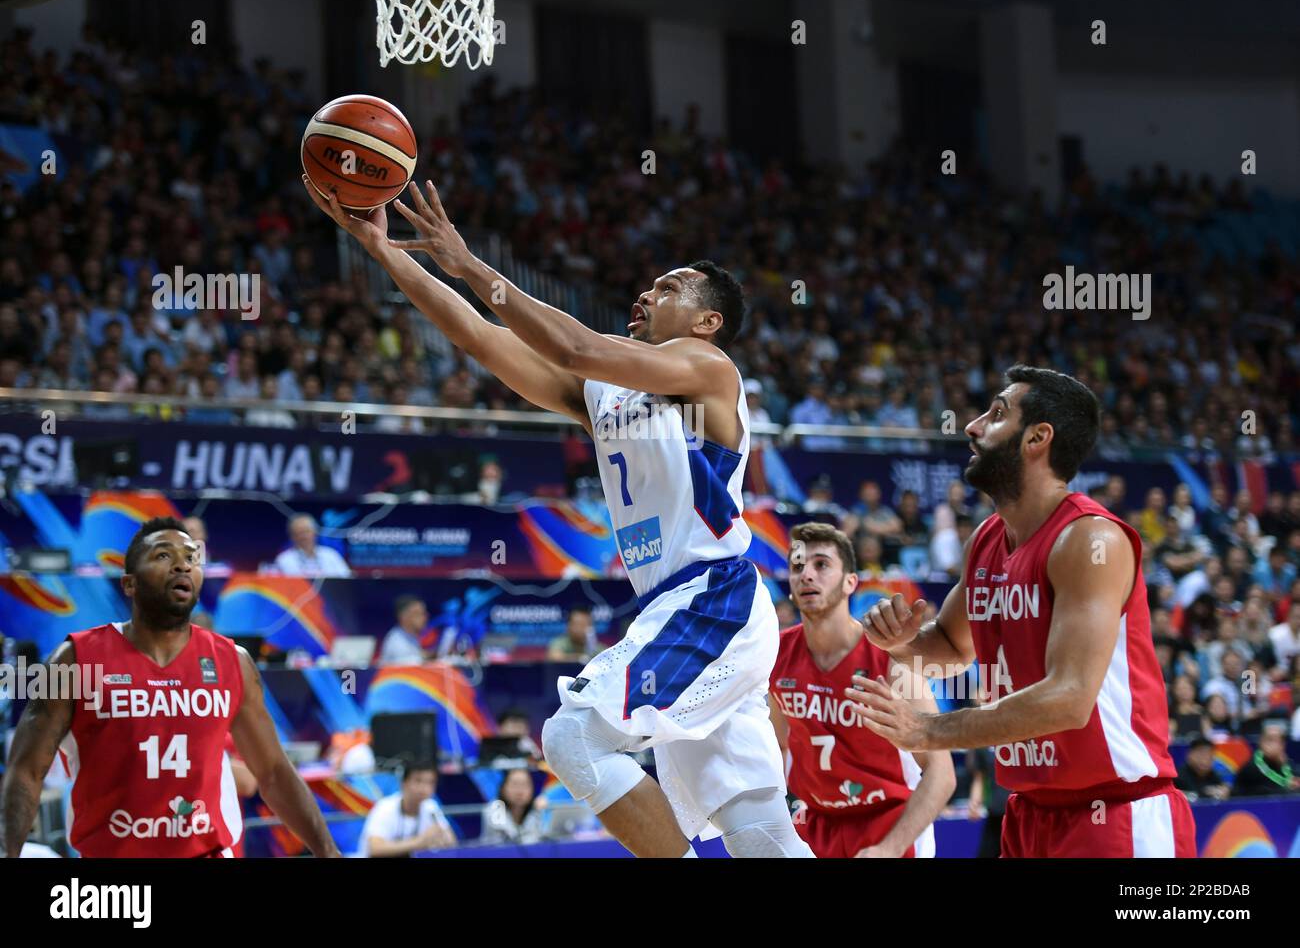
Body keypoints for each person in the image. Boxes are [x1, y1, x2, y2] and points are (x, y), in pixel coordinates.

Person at [307, 177, 807, 857]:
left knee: (572, 734)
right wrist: (383, 250)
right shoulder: (605, 390)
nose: (646, 293)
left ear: (706, 321)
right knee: (762, 835)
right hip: (685, 609)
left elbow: (573, 347)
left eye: (668, 287)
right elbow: (483, 339)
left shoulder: (707, 366)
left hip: (712, 597)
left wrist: (470, 261)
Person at [847, 366, 1195, 857]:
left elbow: (1068, 700)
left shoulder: (1090, 539)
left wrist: (929, 731)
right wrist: (900, 643)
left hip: (1117, 812)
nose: (972, 426)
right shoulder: (986, 540)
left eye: (996, 414)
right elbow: (950, 648)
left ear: (1037, 438)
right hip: (1029, 813)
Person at [0, 517, 339, 857]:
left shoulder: (232, 661)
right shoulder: (74, 658)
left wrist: (329, 852)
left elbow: (274, 773)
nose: (182, 564)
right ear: (129, 584)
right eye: (163, 555)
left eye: (191, 557)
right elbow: (26, 771)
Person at [768, 523, 954, 857]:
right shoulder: (774, 655)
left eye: (821, 565)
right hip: (816, 822)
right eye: (798, 567)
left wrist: (889, 849)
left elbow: (941, 772)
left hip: (889, 819)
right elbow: (781, 745)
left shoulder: (891, 657)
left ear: (850, 582)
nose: (807, 575)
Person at [357, 762, 457, 856]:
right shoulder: (385, 807)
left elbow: (452, 842)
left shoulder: (430, 806)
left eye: (430, 782)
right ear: (404, 783)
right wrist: (420, 842)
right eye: (418, 781)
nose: (424, 788)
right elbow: (375, 848)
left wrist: (442, 838)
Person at [478, 768, 546, 846]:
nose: (520, 791)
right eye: (515, 784)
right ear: (503, 788)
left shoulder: (537, 809)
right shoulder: (495, 808)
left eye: (525, 785)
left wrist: (540, 811)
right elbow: (512, 839)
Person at [271, 513, 352, 577]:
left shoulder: (331, 555)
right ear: (292, 537)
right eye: (299, 533)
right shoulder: (283, 560)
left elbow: (348, 580)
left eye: (307, 531)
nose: (304, 536)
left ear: (315, 533)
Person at [1230, 723, 1298, 796]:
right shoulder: (1251, 768)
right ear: (1261, 742)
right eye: (1270, 740)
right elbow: (1266, 792)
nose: (1274, 745)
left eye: (1278, 741)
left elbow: (1294, 780)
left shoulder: (1287, 764)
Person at [379, 596, 433, 666]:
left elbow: (419, 655)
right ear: (404, 617)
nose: (424, 617)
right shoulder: (396, 640)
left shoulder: (411, 636)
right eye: (418, 613)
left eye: (424, 613)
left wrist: (433, 654)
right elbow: (408, 665)